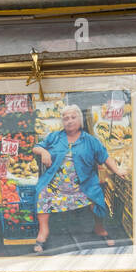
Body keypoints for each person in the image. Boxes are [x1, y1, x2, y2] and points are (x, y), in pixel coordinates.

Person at [31, 104, 127, 254]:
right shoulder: (55, 136)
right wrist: (44, 152)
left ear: (80, 120)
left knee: (96, 197)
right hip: (55, 184)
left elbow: (104, 157)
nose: (69, 121)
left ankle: (99, 228)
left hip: (83, 185)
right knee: (42, 194)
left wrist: (117, 170)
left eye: (73, 117)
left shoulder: (90, 140)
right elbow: (36, 147)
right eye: (66, 118)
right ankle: (43, 232)